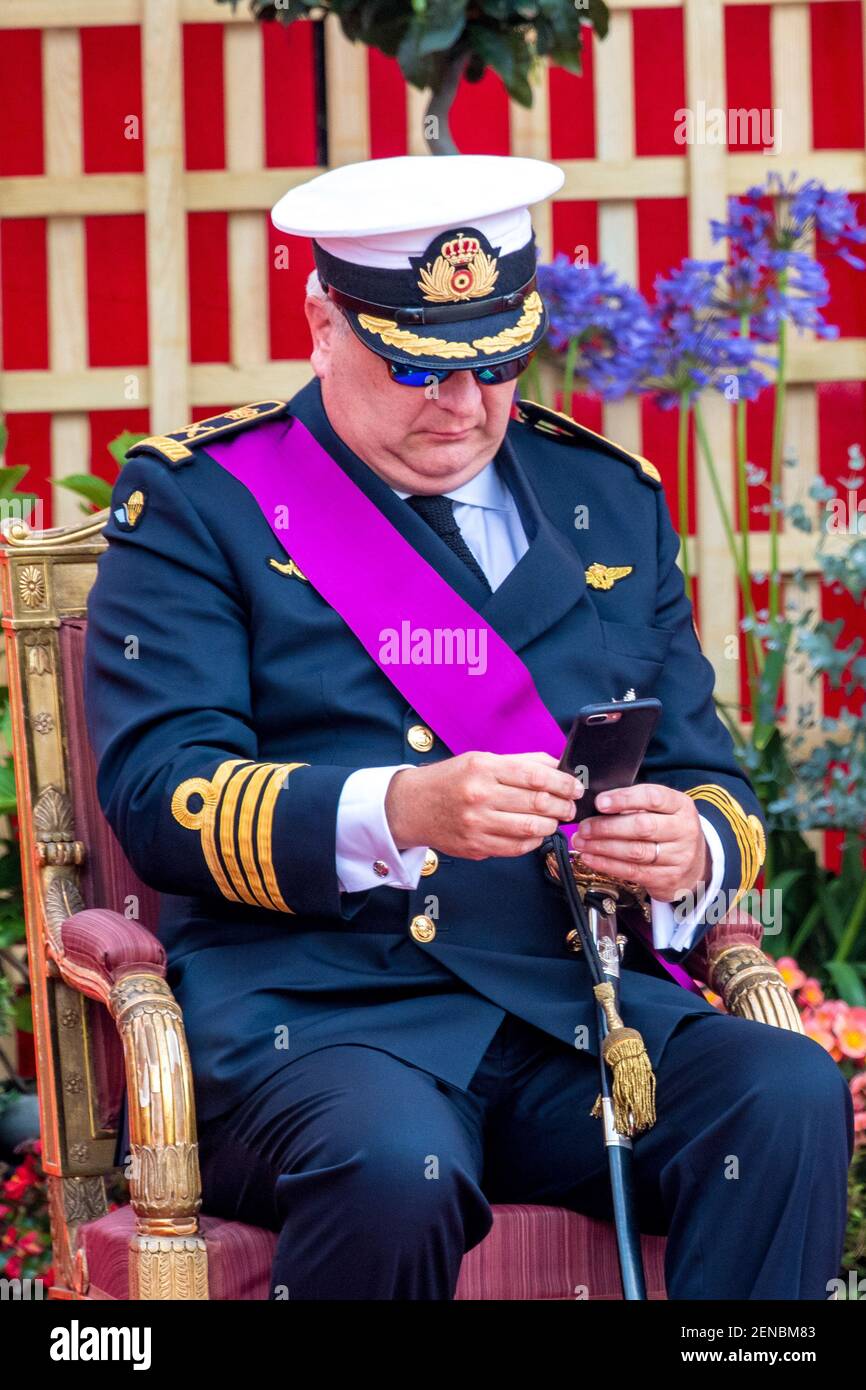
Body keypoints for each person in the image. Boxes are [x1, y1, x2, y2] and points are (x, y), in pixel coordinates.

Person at [84, 154, 853, 1300]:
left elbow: (713, 780)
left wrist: (687, 846)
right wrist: (400, 810)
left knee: (781, 1090)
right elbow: (161, 790)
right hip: (319, 1019)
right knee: (397, 1162)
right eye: (417, 365)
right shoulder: (203, 505)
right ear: (322, 321)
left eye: (493, 362)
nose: (463, 405)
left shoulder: (607, 500)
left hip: (565, 1011)